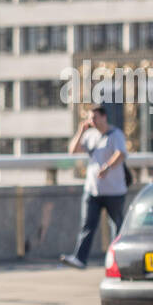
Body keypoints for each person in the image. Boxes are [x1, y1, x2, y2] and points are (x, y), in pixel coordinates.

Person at [60, 104, 128, 269]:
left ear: (104, 117)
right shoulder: (90, 135)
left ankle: (118, 260)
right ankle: (80, 259)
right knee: (87, 226)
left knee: (117, 226)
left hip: (114, 191)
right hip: (93, 190)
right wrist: (81, 131)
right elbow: (73, 151)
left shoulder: (116, 134)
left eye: (94, 117)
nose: (92, 121)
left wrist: (107, 167)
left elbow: (121, 154)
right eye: (90, 118)